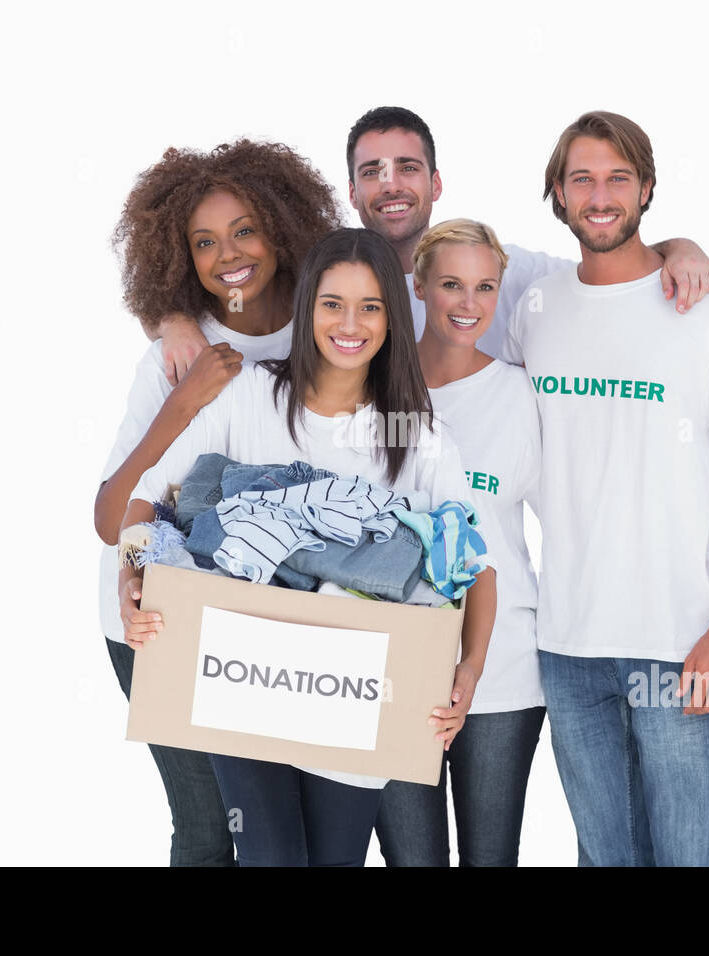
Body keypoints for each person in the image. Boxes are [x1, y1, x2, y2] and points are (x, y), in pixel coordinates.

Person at [117, 227, 501, 867]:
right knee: (271, 858)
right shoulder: (248, 397)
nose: (350, 324)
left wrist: (469, 669)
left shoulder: (413, 432)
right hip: (243, 679)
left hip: (355, 699)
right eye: (332, 303)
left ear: (391, 318)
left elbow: (473, 565)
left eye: (370, 307)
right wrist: (130, 581)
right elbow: (145, 500)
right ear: (307, 309)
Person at [502, 111, 709, 866]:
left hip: (681, 643)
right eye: (582, 179)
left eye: (617, 178)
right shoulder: (531, 306)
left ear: (647, 188)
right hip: (566, 648)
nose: (600, 196)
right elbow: (435, 296)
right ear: (557, 195)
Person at [93, 138, 341, 865]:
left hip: (272, 624)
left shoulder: (330, 329)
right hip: (157, 617)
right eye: (203, 242)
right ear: (180, 256)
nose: (227, 254)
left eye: (244, 230)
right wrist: (187, 396)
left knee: (277, 833)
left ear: (282, 227)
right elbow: (111, 519)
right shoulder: (174, 352)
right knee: (208, 828)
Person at [154, 107, 709, 382]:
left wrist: (676, 246)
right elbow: (228, 285)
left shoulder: (503, 269)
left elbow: (604, 266)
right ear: (352, 192)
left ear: (436, 183)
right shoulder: (324, 277)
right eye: (372, 171)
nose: (391, 184)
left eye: (408, 167)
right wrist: (173, 320)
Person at [373, 219, 544, 866]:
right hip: (394, 666)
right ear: (417, 286)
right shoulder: (372, 385)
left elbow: (571, 517)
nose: (468, 304)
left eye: (484, 287)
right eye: (450, 284)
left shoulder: (520, 395)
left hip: (501, 669)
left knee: (490, 859)